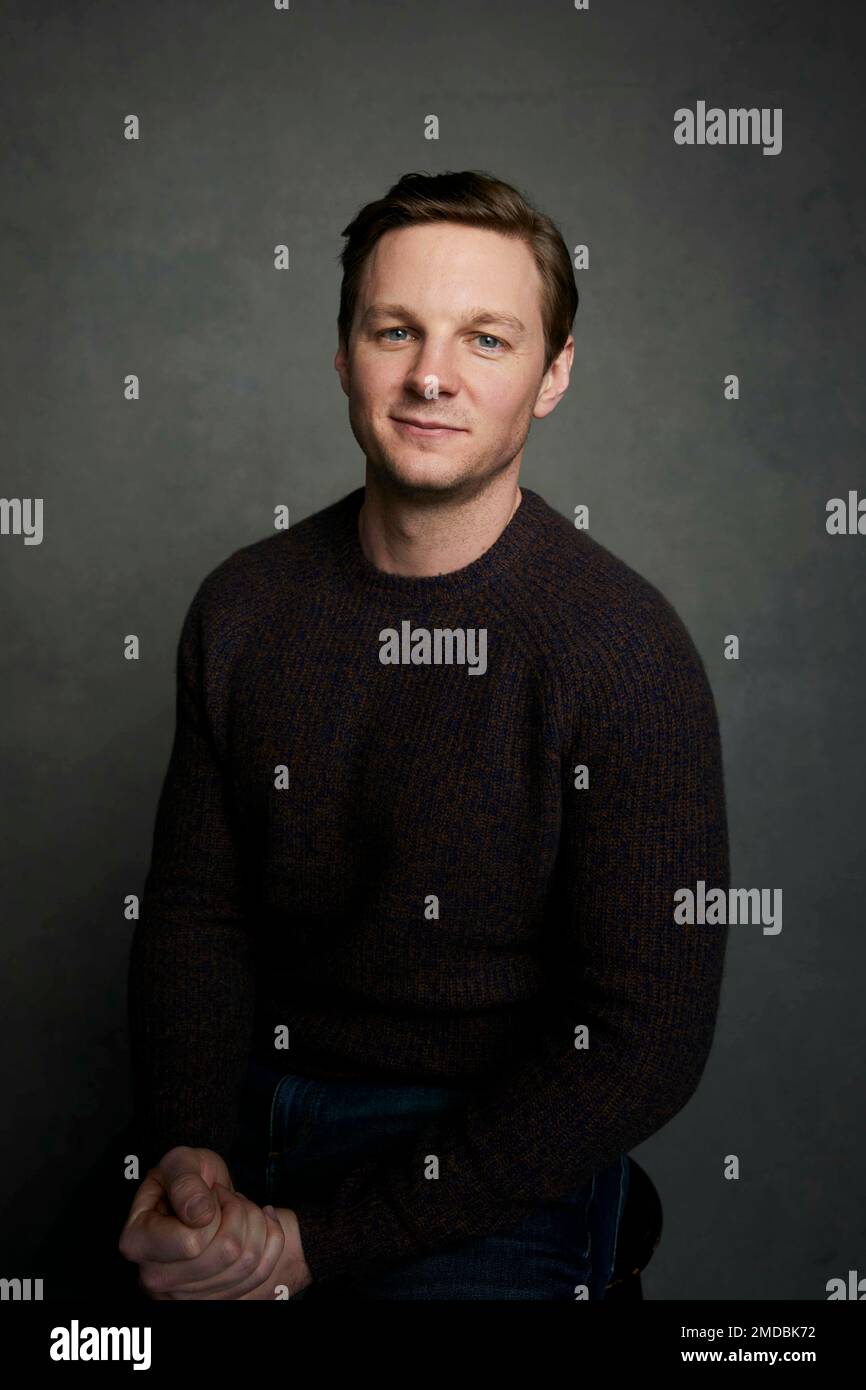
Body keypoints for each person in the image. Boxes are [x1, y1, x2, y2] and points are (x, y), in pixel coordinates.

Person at [118, 169, 729, 1300]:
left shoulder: (622, 653)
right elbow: (198, 914)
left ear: (552, 377)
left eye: (486, 340)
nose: (430, 375)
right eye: (394, 329)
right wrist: (190, 1148)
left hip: (493, 1149)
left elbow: (642, 1039)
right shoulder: (244, 607)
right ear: (343, 351)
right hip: (256, 1110)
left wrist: (317, 1244)